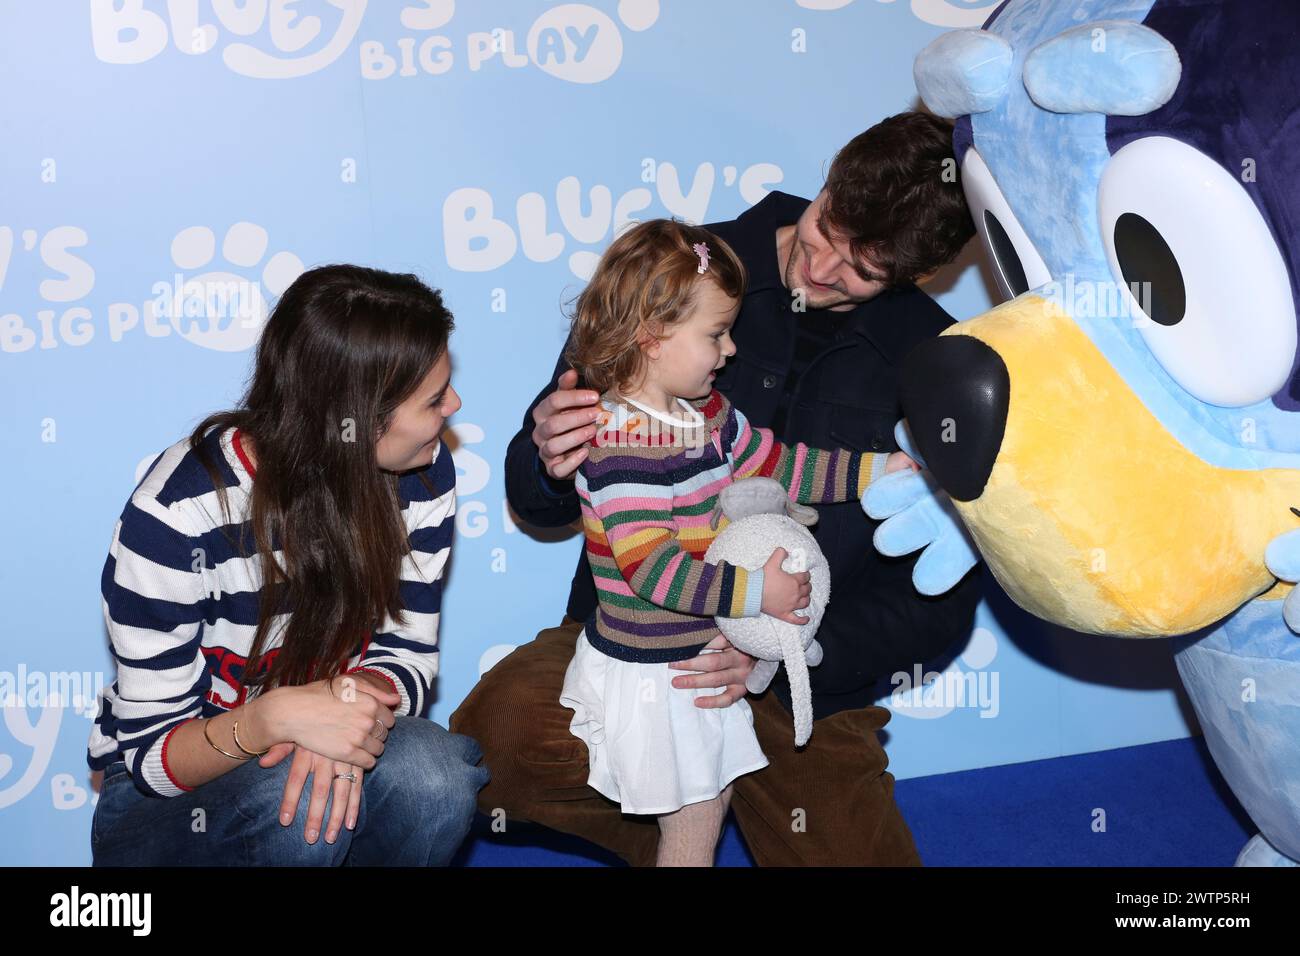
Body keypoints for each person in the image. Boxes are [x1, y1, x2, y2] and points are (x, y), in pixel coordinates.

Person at [451, 110, 983, 866]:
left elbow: (941, 606)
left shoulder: (934, 360)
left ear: (916, 275)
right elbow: (538, 500)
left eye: (862, 271)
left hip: (802, 683)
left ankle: (706, 807)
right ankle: (674, 817)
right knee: (484, 754)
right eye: (826, 228)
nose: (822, 268)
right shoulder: (676, 272)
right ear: (827, 180)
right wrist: (544, 455)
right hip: (634, 648)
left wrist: (791, 644)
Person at [87, 264, 490, 866]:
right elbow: (151, 756)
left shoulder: (421, 474)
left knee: (434, 780)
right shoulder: (177, 514)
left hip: (313, 753)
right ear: (353, 420)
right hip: (166, 801)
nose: (455, 405)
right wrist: (273, 720)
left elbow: (405, 656)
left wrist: (342, 715)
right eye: (434, 399)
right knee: (300, 807)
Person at [558, 219, 919, 866]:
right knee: (695, 819)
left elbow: (781, 465)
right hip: (656, 674)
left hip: (694, 660)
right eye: (716, 335)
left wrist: (877, 472)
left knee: (703, 808)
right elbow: (656, 572)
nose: (729, 352)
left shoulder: (712, 415)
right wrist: (761, 594)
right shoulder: (622, 445)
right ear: (652, 337)